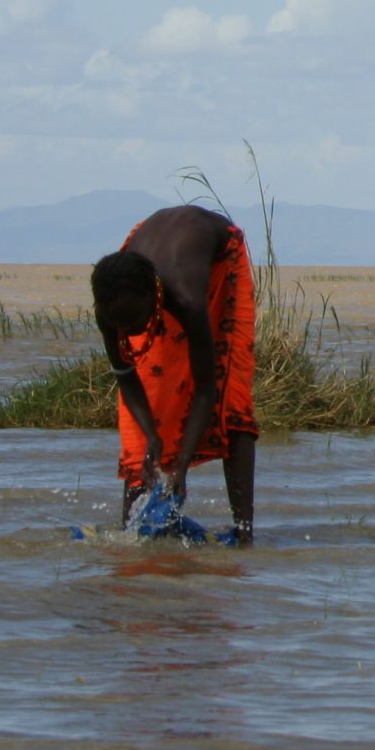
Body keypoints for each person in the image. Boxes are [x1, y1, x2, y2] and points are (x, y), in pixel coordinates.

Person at [90, 203, 258, 542]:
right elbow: (126, 375)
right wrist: (152, 435)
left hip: (219, 255)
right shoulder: (112, 306)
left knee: (230, 397)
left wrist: (181, 462)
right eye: (121, 325)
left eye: (137, 320)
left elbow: (206, 386)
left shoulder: (185, 298)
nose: (130, 331)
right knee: (151, 395)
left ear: (155, 294)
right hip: (146, 251)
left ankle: (244, 535)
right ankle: (134, 530)